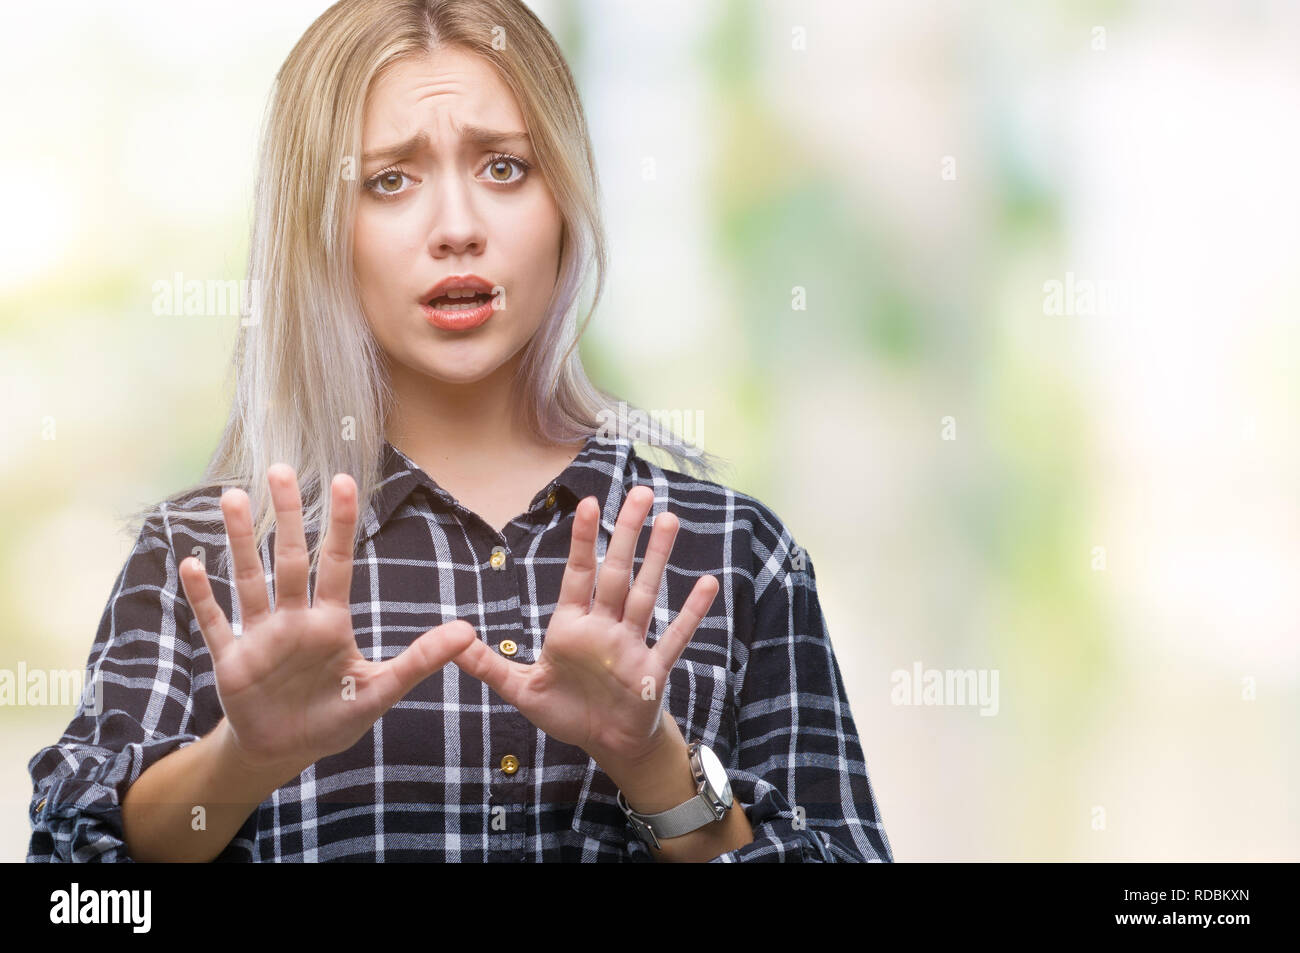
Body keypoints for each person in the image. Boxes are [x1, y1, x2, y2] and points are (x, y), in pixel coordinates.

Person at [26, 0, 892, 863]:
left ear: (565, 199)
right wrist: (242, 760)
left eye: (506, 167)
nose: (458, 229)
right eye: (389, 180)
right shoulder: (202, 558)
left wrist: (655, 767)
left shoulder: (735, 555)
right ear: (318, 228)